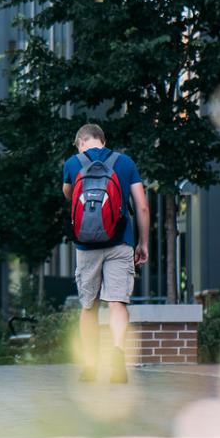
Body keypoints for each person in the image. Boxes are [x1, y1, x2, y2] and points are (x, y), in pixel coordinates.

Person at [60, 124, 150, 383]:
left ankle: (89, 364)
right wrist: (142, 243)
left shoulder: (72, 163)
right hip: (120, 242)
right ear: (103, 140)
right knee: (117, 302)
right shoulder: (125, 162)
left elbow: (68, 196)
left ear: (81, 142)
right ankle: (118, 356)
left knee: (89, 306)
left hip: (86, 247)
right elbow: (141, 206)